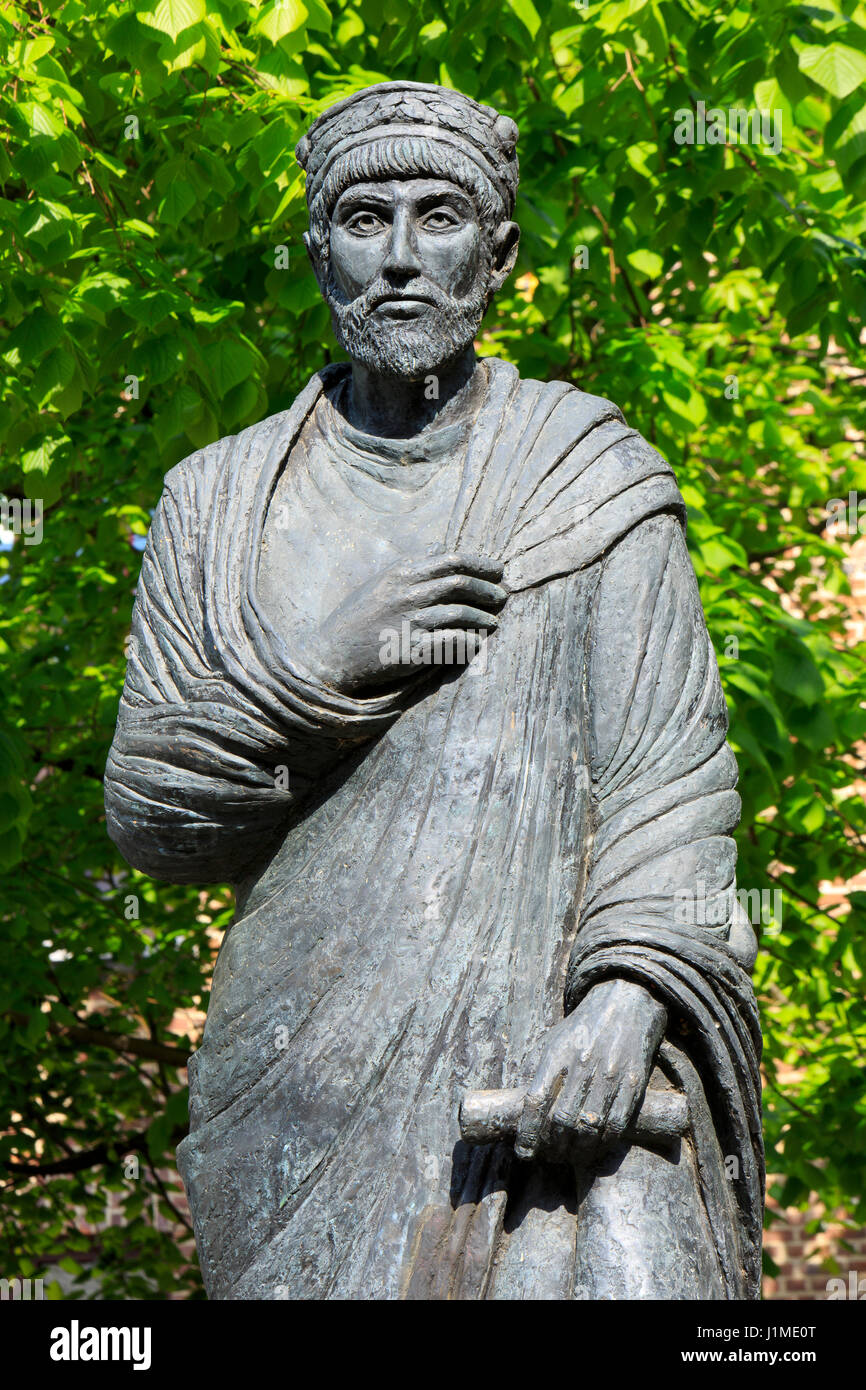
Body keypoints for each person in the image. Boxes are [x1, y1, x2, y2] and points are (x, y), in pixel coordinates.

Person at [105, 82, 763, 1300]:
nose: (401, 259)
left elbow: (670, 773)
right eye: (363, 219)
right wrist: (318, 673)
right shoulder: (216, 501)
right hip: (302, 1078)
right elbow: (152, 815)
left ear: (497, 253)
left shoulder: (586, 470)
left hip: (562, 1066)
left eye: (439, 216)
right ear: (318, 255)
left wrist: (625, 1003)